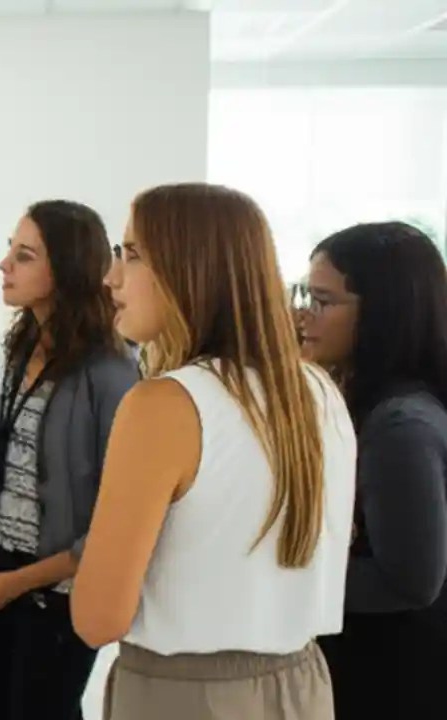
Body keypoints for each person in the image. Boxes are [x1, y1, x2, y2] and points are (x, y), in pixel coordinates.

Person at [71, 183, 357, 719]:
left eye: (131, 254)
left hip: (184, 696)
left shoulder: (162, 405)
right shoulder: (320, 393)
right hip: (303, 685)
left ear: (191, 270)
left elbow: (97, 618)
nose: (111, 277)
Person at [0, 200, 138, 719]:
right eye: (11, 248)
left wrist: (15, 585)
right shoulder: (21, 342)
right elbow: (3, 461)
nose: (3, 264)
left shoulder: (113, 371)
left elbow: (113, 522)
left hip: (59, 590)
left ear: (68, 269)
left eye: (23, 254)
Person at [299, 221, 447, 720]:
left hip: (393, 679)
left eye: (323, 301)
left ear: (383, 313)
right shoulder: (369, 405)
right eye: (304, 295)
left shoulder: (400, 425)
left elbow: (410, 580)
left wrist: (283, 578)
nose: (303, 315)